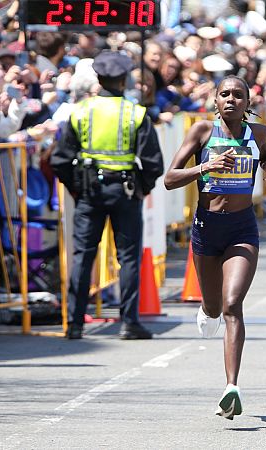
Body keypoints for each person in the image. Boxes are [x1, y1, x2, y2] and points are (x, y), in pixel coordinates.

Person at [163, 75, 266, 420]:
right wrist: (206, 167)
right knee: (214, 307)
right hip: (206, 228)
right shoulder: (202, 131)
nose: (231, 99)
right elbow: (170, 179)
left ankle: (231, 387)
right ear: (215, 101)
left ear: (248, 103)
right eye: (224, 94)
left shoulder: (259, 133)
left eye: (238, 95)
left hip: (242, 229)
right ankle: (206, 308)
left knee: (232, 305)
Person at [50, 51, 164, 340]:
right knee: (128, 258)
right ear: (124, 80)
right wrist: (142, 189)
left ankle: (74, 324)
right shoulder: (136, 114)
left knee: (83, 256)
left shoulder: (80, 111)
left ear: (99, 79)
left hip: (89, 192)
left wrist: (76, 187)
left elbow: (60, 160)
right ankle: (129, 323)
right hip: (125, 192)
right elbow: (153, 163)